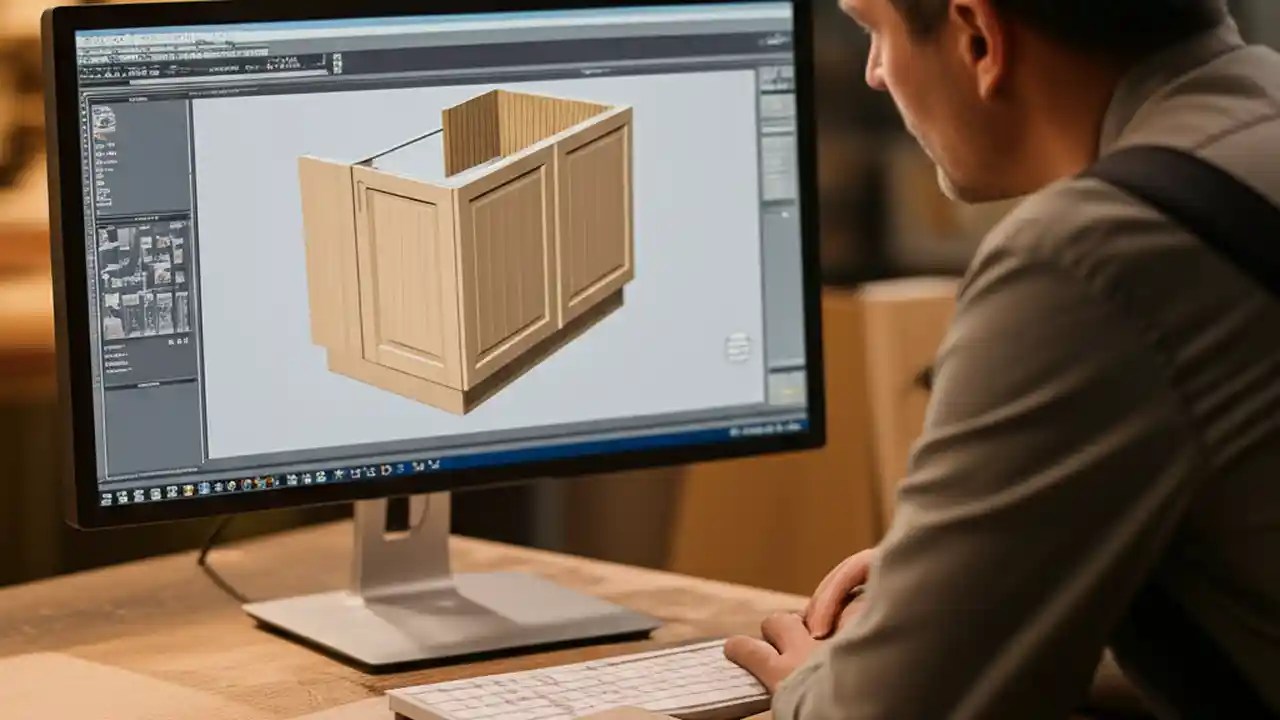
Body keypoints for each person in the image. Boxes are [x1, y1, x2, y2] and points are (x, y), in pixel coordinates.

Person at [725, 0, 1280, 717]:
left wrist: (824, 679)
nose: (874, 73)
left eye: (875, 32)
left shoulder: (1092, 254)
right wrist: (976, 585)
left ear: (978, 37)